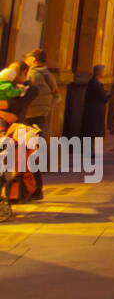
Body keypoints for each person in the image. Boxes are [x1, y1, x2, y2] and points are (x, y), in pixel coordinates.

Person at [22, 50, 58, 200]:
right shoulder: (48, 74)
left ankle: (35, 188)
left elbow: (26, 94)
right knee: (32, 152)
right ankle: (35, 188)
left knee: (29, 153)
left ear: (34, 60)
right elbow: (56, 96)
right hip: (40, 116)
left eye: (28, 58)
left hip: (31, 117)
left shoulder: (33, 74)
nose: (26, 61)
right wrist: (46, 109)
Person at [82, 64, 109, 139]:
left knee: (94, 132)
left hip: (95, 110)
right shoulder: (95, 83)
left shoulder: (95, 82)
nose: (104, 73)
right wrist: (107, 93)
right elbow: (103, 96)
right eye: (103, 71)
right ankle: (91, 150)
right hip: (95, 111)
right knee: (94, 132)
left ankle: (93, 149)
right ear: (99, 72)